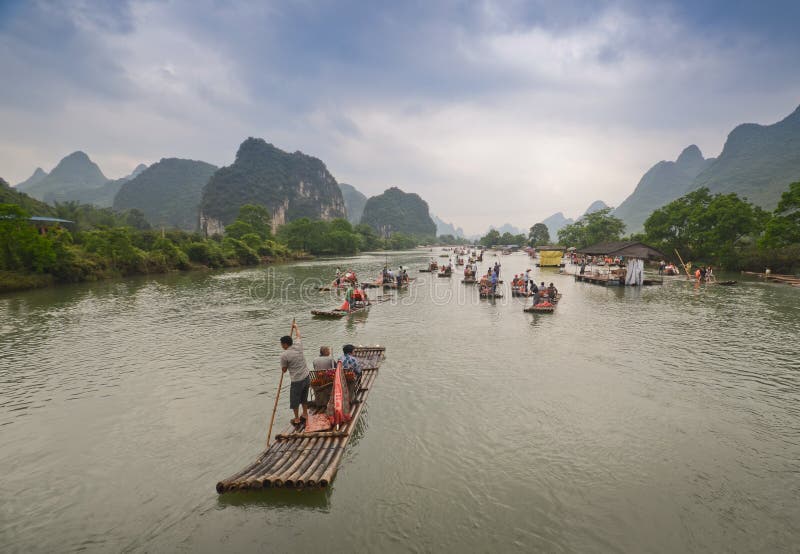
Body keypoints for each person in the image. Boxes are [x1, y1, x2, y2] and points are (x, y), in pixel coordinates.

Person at [280, 323, 310, 425]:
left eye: (281, 344)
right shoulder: (298, 345)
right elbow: (298, 336)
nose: (281, 346)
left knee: (295, 400)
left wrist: (286, 365)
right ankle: (305, 414)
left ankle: (297, 418)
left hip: (297, 380)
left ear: (285, 344)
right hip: (306, 377)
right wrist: (296, 327)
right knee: (304, 397)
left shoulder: (284, 355)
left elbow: (284, 370)